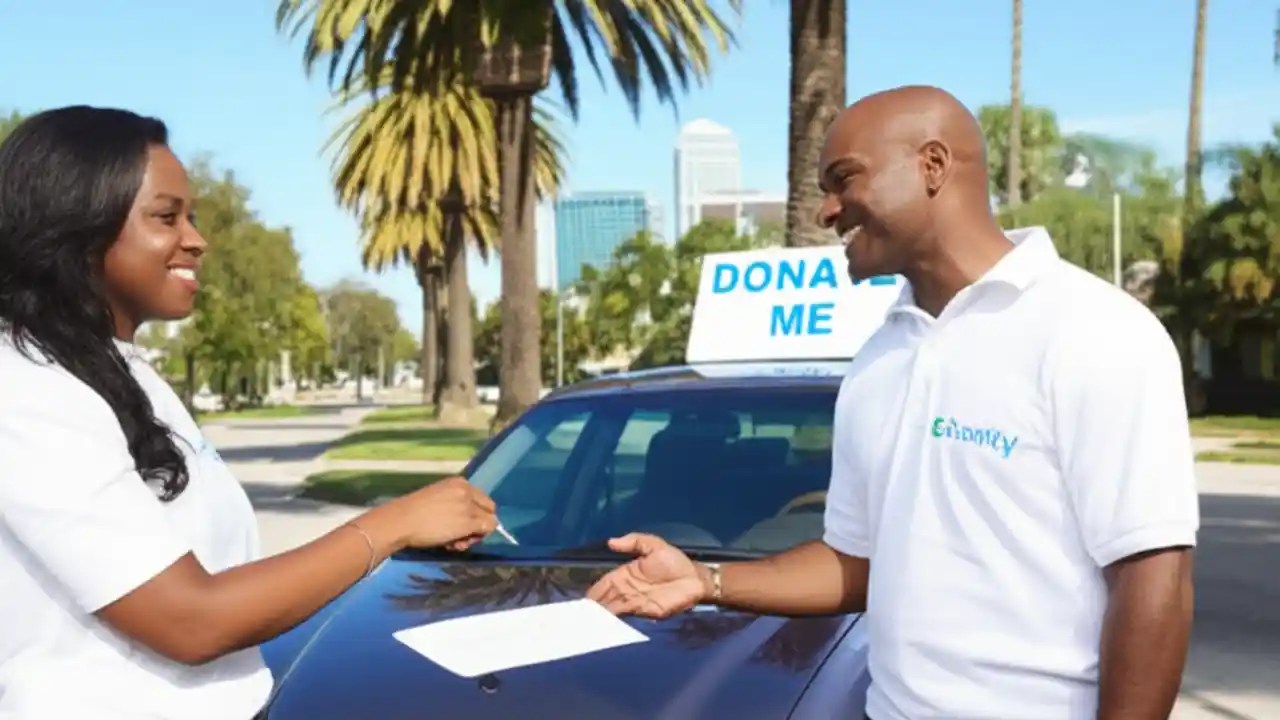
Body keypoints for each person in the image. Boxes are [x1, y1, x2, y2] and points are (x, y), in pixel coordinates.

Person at [588, 85, 1199, 720]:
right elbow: (858, 563)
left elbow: (1154, 576)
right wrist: (707, 581)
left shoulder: (1094, 329)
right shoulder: (881, 356)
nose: (827, 210)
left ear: (932, 166)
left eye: (843, 180)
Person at [0, 106, 498, 718]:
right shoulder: (25, 390)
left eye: (192, 217)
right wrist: (393, 524)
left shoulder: (120, 369)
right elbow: (192, 620)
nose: (196, 239)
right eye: (166, 217)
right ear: (77, 231)